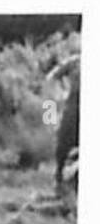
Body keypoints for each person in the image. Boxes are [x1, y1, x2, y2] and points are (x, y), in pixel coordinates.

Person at [44, 50, 80, 197]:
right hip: (74, 105)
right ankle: (59, 178)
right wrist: (50, 113)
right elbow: (50, 79)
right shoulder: (75, 62)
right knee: (63, 144)